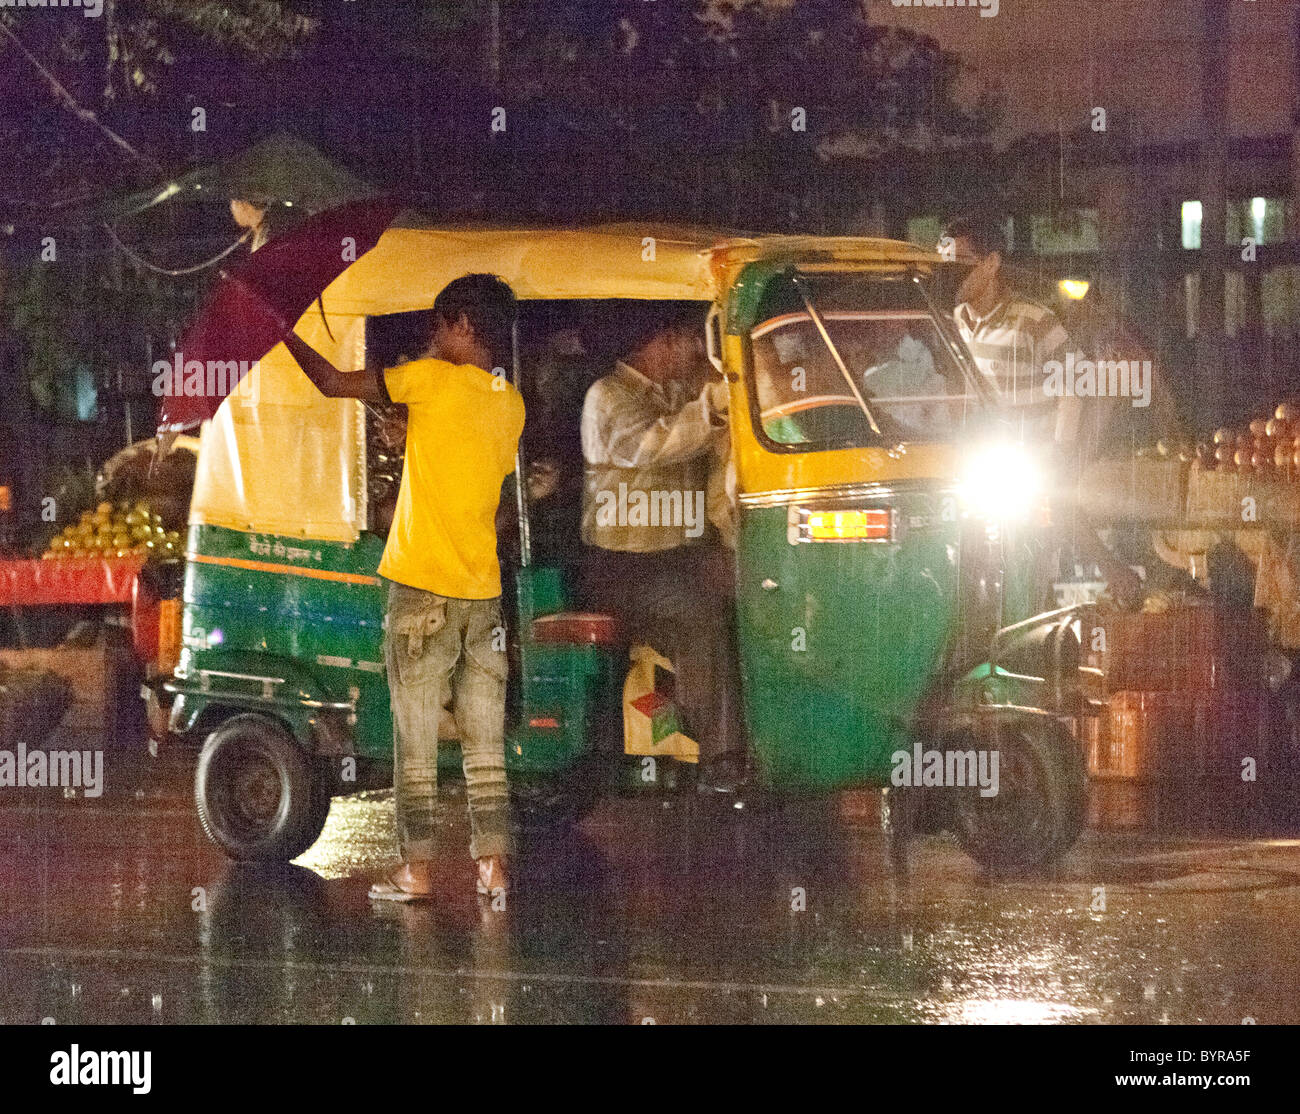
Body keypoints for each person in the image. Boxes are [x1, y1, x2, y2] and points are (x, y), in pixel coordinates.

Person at [284, 274, 525, 901]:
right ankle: (492, 868)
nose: (433, 336)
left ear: (466, 326)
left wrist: (285, 333)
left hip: (422, 589)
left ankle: (415, 870)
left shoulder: (430, 377)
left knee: (415, 740)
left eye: (441, 325)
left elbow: (334, 384)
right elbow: (468, 473)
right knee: (484, 742)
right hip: (483, 597)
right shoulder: (510, 404)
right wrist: (411, 434)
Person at [579, 305, 745, 792]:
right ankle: (721, 757)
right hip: (622, 566)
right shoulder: (608, 396)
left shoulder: (670, 392)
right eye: (678, 339)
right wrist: (714, 405)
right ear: (653, 344)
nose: (687, 348)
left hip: (674, 558)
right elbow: (653, 446)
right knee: (701, 614)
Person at [943, 210, 1142, 608]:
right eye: (944, 265)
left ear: (992, 263)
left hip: (1027, 465)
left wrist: (1059, 450)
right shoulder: (955, 323)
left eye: (960, 264)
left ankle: (1108, 583)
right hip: (979, 469)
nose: (949, 275)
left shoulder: (1034, 320)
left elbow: (1075, 386)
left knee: (1031, 566)